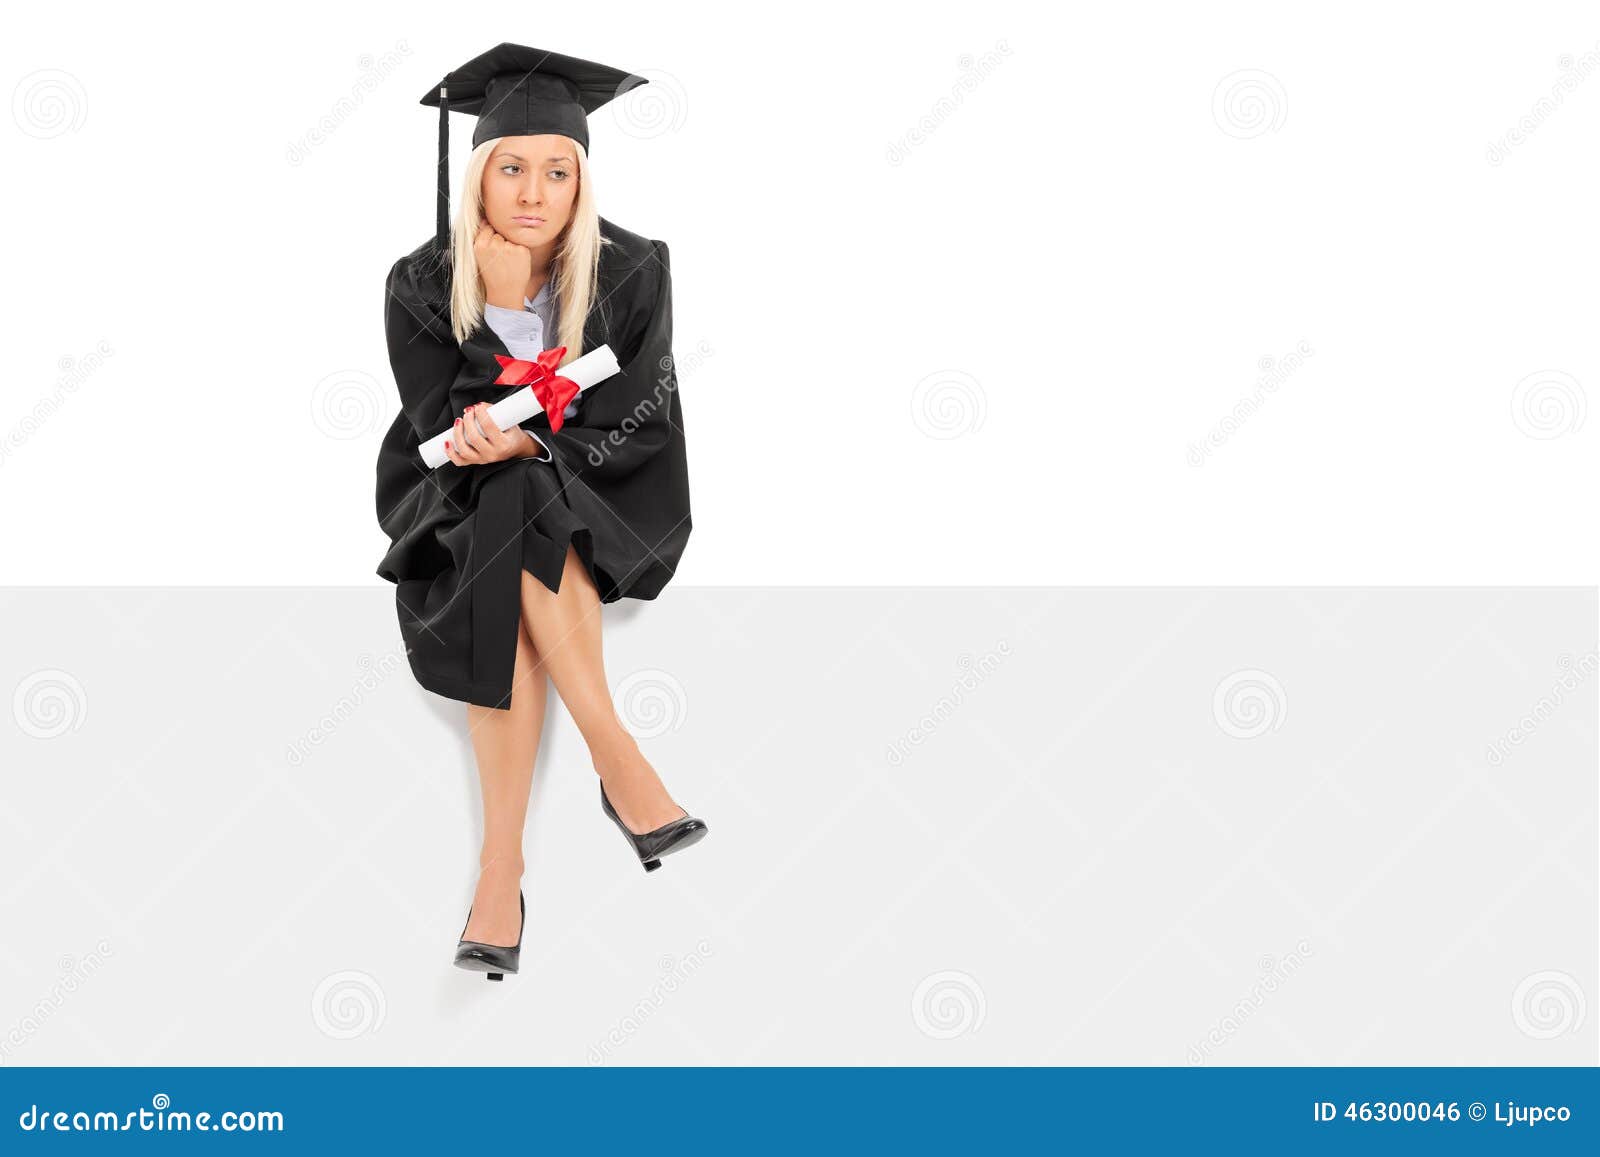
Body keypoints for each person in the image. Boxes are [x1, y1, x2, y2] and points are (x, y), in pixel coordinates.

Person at [373, 44, 708, 981]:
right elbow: (444, 428)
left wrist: (538, 442)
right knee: (507, 490)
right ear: (477, 171)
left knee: (526, 489)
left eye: (557, 170)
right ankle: (621, 761)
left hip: (610, 479)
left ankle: (500, 872)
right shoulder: (419, 279)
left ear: (582, 179)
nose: (533, 192)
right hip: (454, 492)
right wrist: (506, 311)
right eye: (511, 167)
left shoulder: (636, 268)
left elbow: (642, 413)